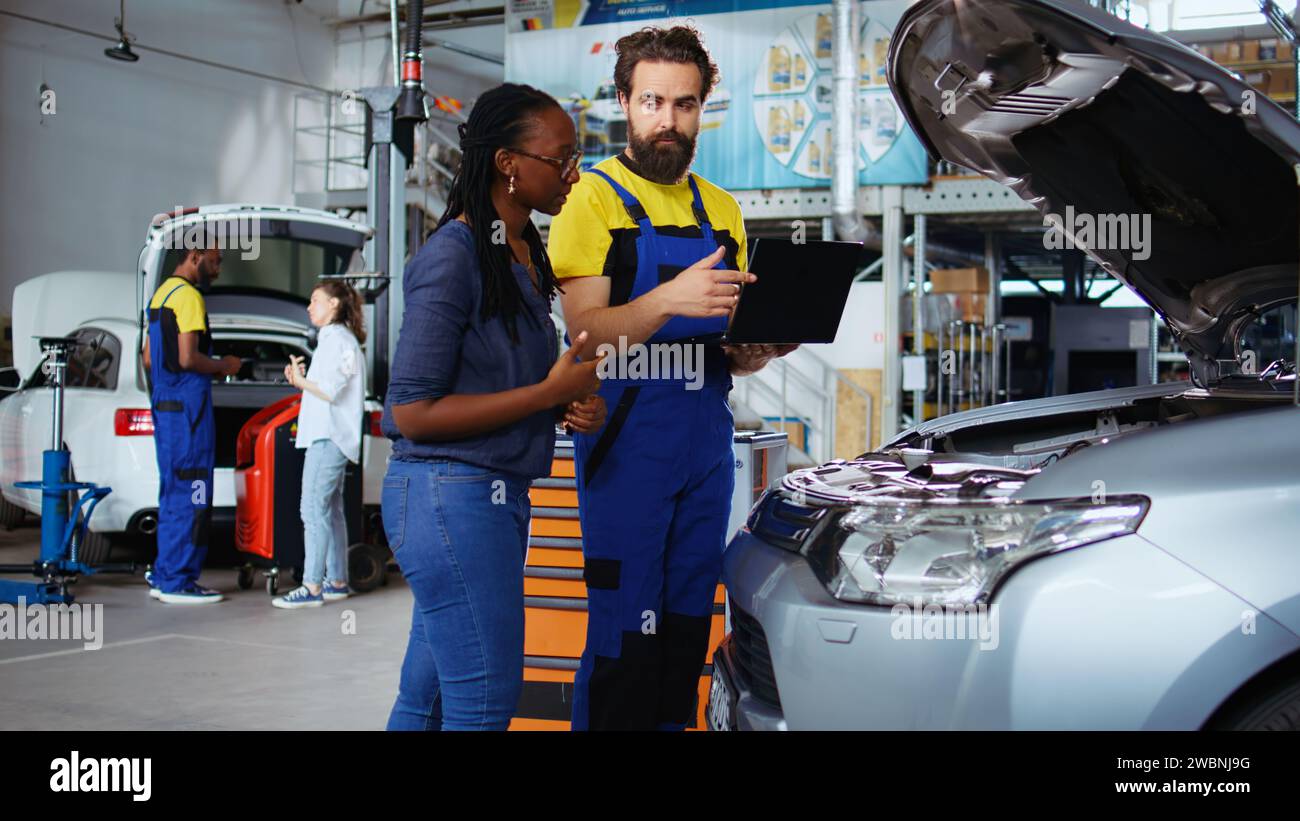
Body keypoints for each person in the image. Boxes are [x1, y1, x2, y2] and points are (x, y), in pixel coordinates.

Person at [547, 25, 795, 730]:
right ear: (624, 101)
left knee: (688, 630)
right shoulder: (589, 202)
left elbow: (731, 352)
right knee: (626, 637)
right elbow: (587, 334)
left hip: (706, 450)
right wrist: (667, 301)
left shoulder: (723, 211)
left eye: (684, 105)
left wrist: (767, 344)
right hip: (626, 452)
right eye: (652, 101)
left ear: (701, 109)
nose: (668, 120)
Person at [381, 82, 607, 731]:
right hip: (449, 495)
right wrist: (545, 394)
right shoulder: (452, 258)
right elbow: (412, 412)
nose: (573, 173)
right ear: (508, 162)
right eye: (558, 158)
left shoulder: (525, 254)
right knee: (485, 699)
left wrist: (565, 406)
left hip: (493, 496)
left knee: (425, 697)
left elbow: (503, 382)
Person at [142, 242, 241, 604]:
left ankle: (167, 571)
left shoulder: (160, 294)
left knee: (173, 490)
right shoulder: (189, 298)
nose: (217, 270)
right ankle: (180, 580)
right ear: (195, 256)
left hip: (166, 407)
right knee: (195, 490)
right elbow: (187, 358)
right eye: (214, 262)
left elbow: (150, 358)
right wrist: (223, 365)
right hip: (189, 412)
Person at [272, 280, 367, 609]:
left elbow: (331, 389)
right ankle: (336, 582)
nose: (310, 307)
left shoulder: (339, 341)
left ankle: (312, 585)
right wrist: (301, 381)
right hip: (329, 436)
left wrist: (300, 381)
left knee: (312, 509)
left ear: (335, 306)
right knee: (331, 510)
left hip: (330, 437)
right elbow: (327, 389)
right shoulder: (336, 341)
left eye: (316, 301)